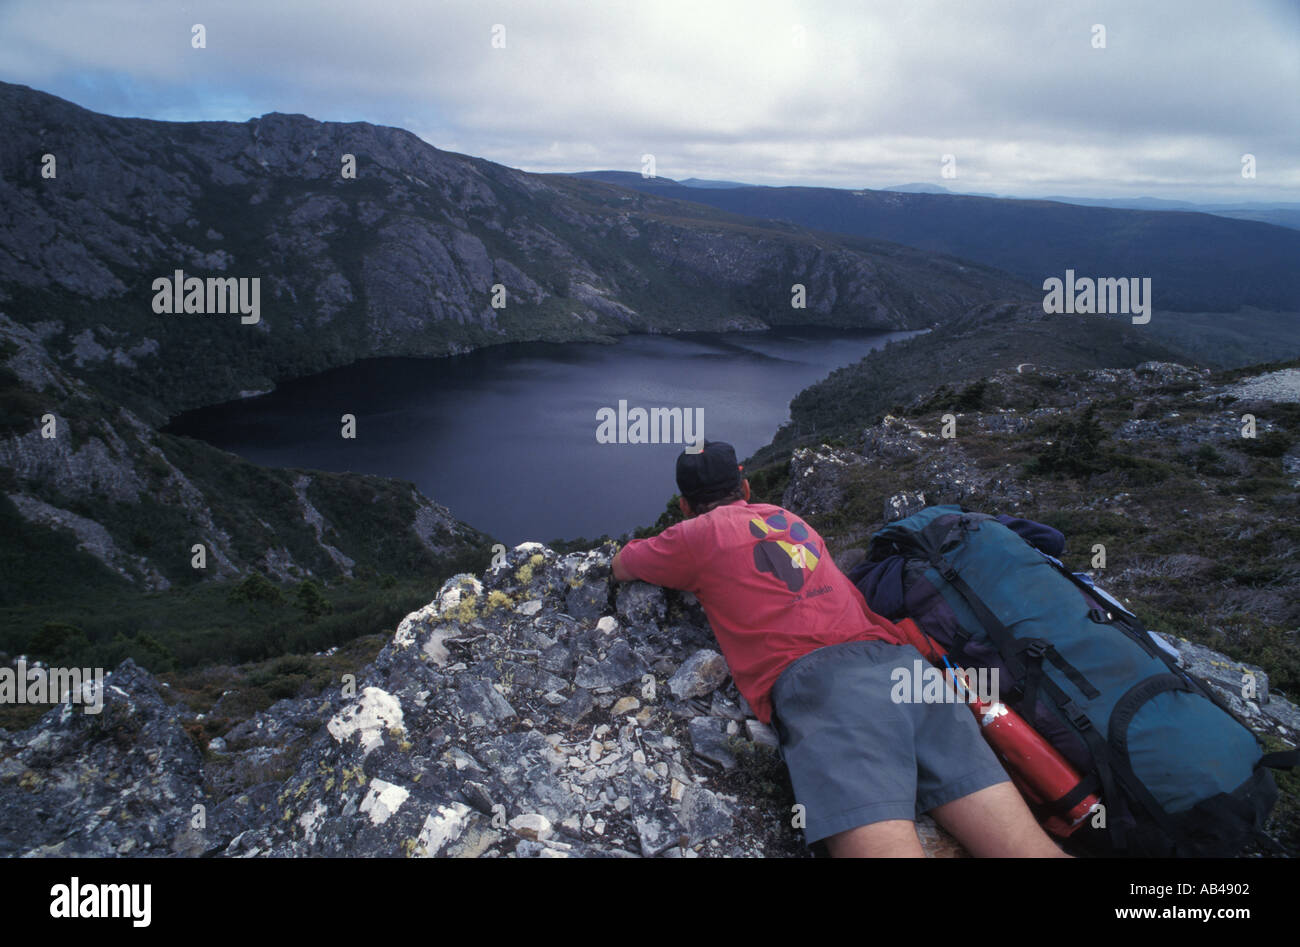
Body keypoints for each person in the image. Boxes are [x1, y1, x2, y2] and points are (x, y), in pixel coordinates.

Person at [610, 440, 1069, 858]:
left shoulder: (691, 535)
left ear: (686, 504)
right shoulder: (790, 520)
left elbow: (622, 564)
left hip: (829, 688)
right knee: (1028, 851)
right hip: (907, 670)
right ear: (745, 487)